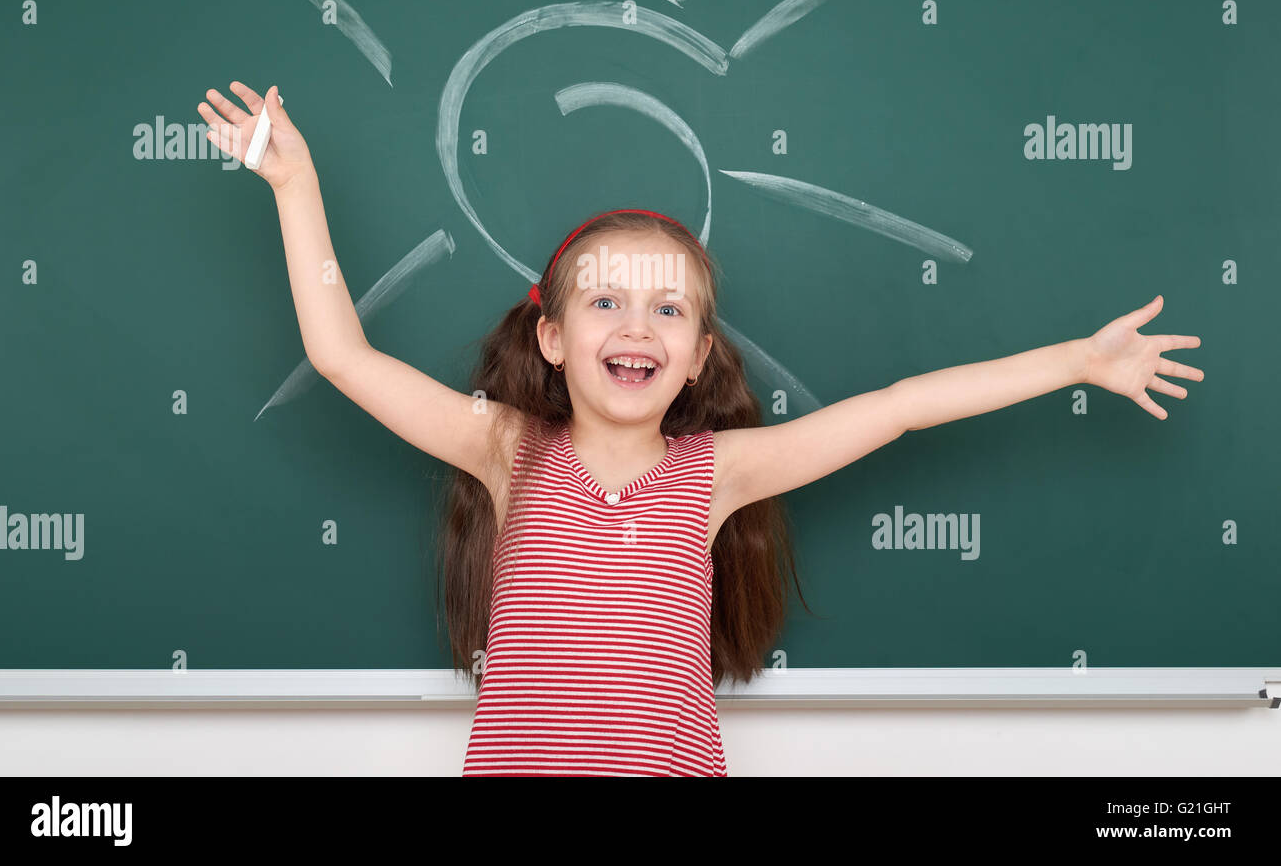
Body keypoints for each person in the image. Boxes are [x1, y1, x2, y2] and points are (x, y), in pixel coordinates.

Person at [199, 81, 1205, 777]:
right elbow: (344, 359)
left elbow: (899, 408)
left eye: (669, 311)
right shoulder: (506, 449)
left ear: (698, 356)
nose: (637, 326)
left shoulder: (716, 473)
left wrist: (1078, 362)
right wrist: (296, 186)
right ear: (550, 337)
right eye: (604, 305)